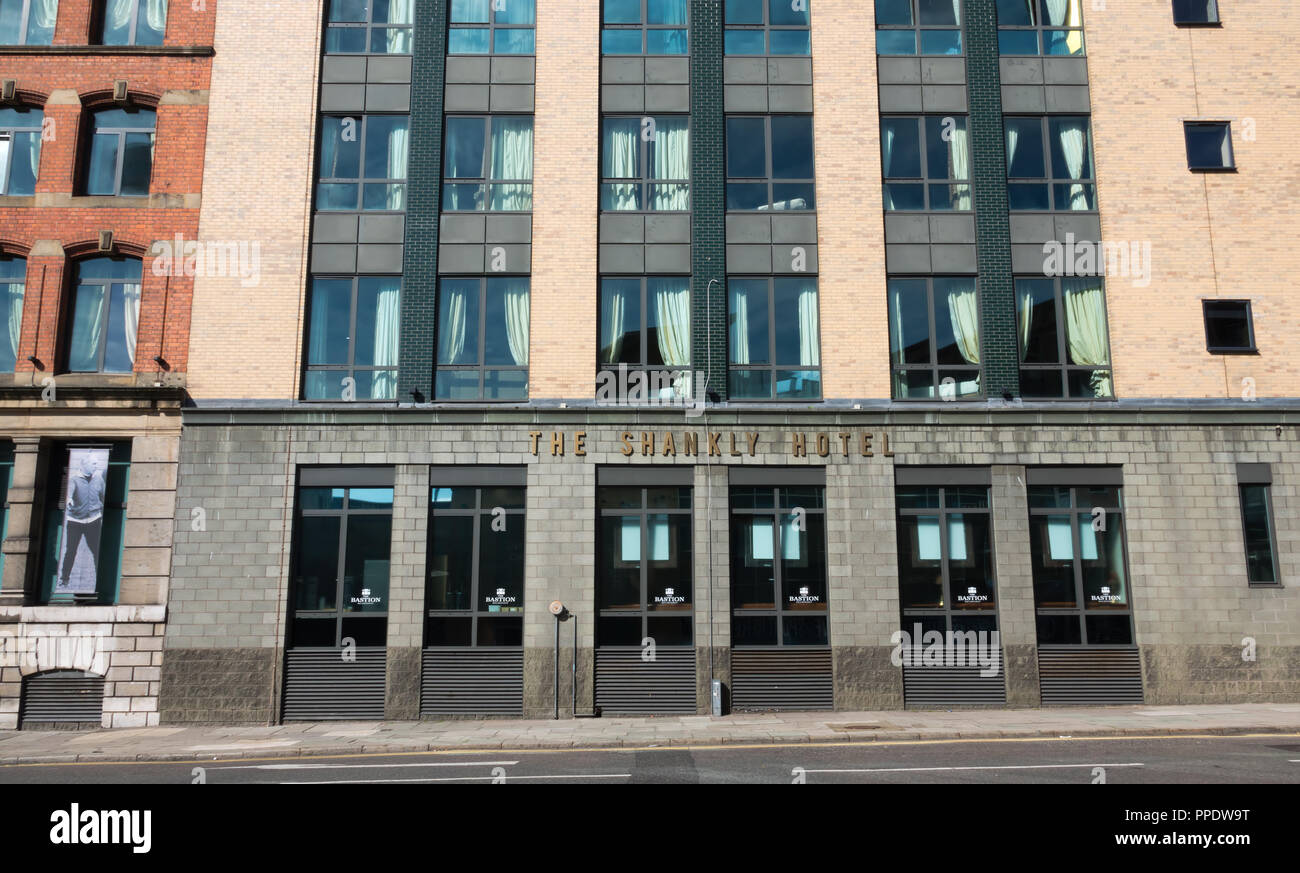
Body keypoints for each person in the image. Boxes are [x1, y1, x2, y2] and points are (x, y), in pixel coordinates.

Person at [59, 455, 106, 591]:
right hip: (75, 521)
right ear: (84, 464)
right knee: (71, 551)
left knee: (97, 551)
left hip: (93, 519)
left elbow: (102, 497)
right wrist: (68, 500)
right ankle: (64, 579)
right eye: (93, 464)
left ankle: (99, 580)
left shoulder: (98, 479)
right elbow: (69, 493)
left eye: (96, 464)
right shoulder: (74, 479)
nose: (95, 466)